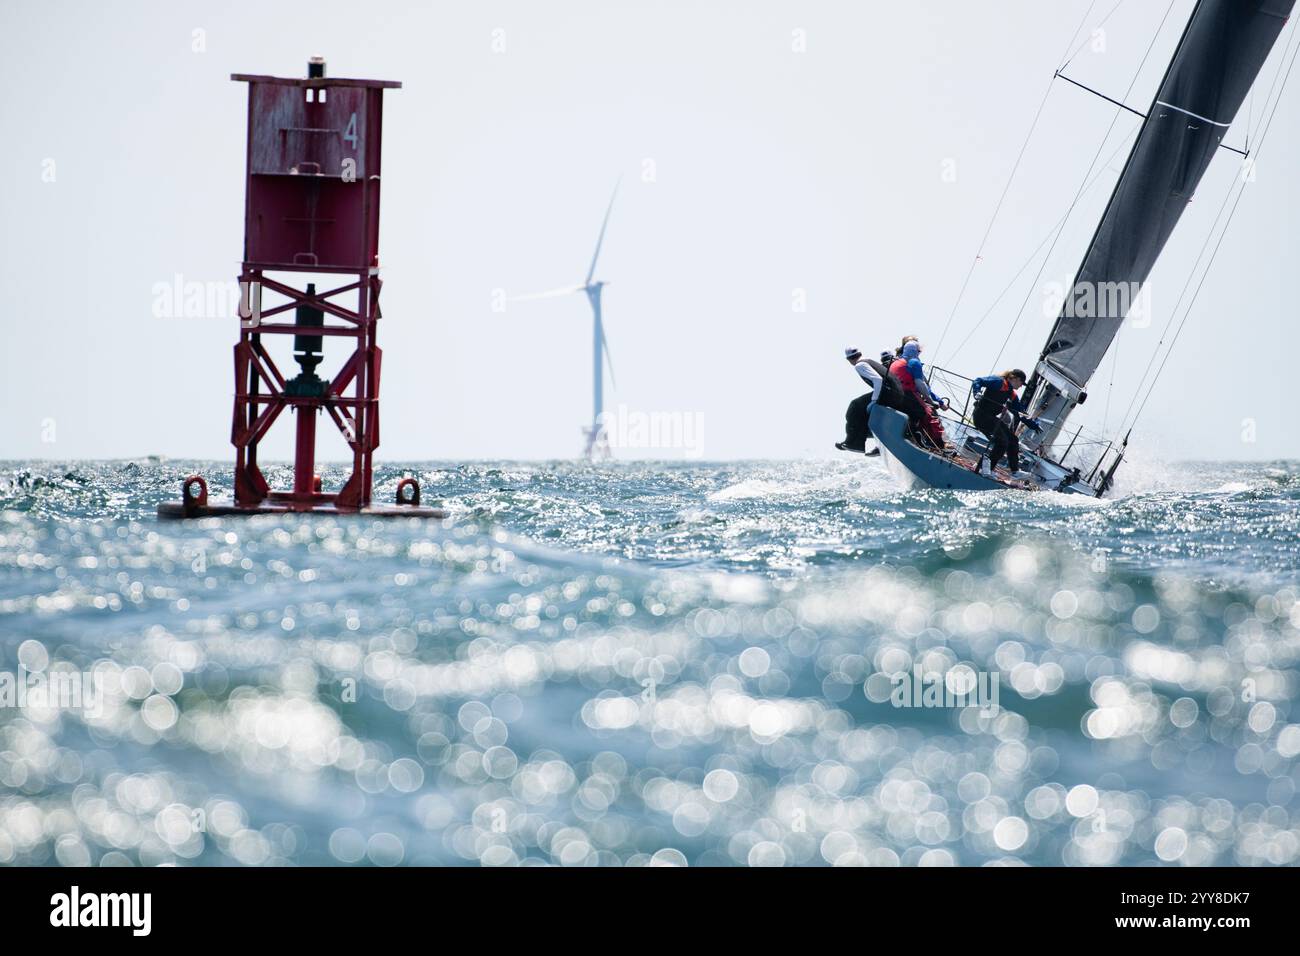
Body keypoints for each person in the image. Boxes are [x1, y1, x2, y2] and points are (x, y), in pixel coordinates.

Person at [970, 369, 1040, 479]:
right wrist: (977, 392)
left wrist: (1031, 424)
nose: (1021, 386)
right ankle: (985, 469)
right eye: (1022, 383)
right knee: (1002, 441)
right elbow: (978, 380)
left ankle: (1015, 472)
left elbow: (1019, 412)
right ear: (1016, 379)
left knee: (1013, 440)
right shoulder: (999, 381)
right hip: (981, 416)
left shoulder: (1011, 393)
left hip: (991, 418)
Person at [836, 347, 898, 455]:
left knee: (855, 406)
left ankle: (854, 443)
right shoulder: (869, 360)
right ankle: (862, 442)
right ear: (860, 353)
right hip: (895, 393)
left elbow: (878, 380)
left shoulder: (859, 365)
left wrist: (874, 400)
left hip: (888, 394)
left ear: (849, 359)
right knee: (862, 408)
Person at [890, 341, 947, 448]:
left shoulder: (895, 363)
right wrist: (931, 401)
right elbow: (920, 385)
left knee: (918, 414)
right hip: (908, 395)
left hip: (895, 396)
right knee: (929, 414)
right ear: (915, 351)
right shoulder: (914, 363)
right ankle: (938, 445)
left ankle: (917, 437)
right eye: (919, 351)